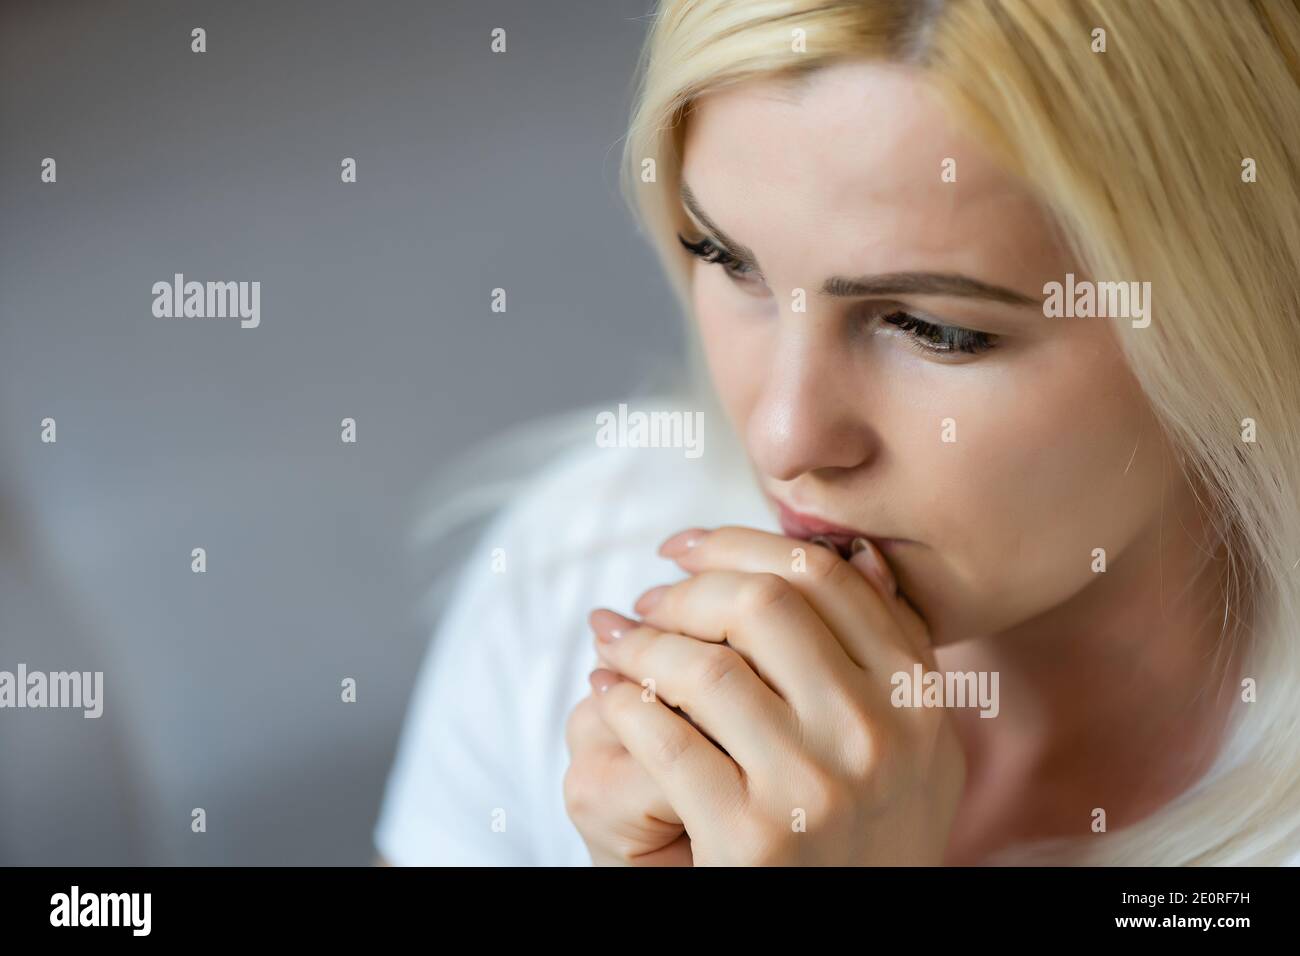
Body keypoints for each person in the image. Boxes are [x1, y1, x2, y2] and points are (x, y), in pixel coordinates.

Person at [374, 0, 1300, 865]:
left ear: (1246, 302)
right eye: (726, 260)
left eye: (937, 329)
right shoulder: (572, 570)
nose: (782, 440)